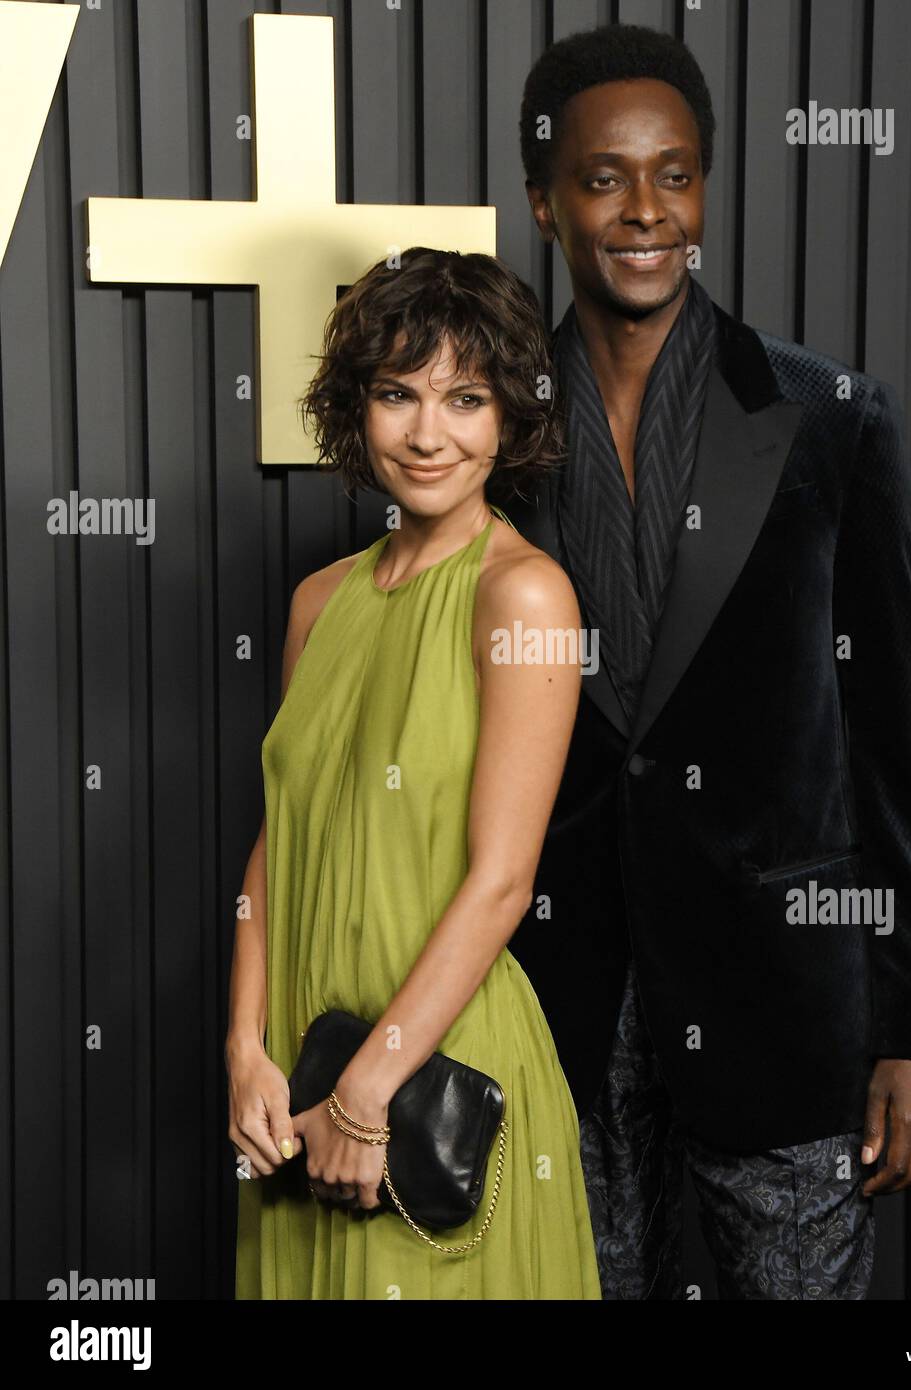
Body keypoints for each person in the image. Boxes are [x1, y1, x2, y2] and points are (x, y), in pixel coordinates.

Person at [503, 23, 911, 1300]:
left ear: (703, 188)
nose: (646, 209)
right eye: (604, 179)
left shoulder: (829, 418)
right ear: (545, 202)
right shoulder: (487, 434)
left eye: (675, 173)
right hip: (558, 1007)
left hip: (787, 1008)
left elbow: (906, 744)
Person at [226, 247, 601, 1300]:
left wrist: (370, 1091)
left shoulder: (524, 599)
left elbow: (501, 881)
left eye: (465, 398)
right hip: (302, 1085)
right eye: (397, 393)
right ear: (357, 407)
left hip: (433, 1082)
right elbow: (275, 838)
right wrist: (245, 1045)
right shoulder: (318, 600)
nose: (428, 433)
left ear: (508, 419)